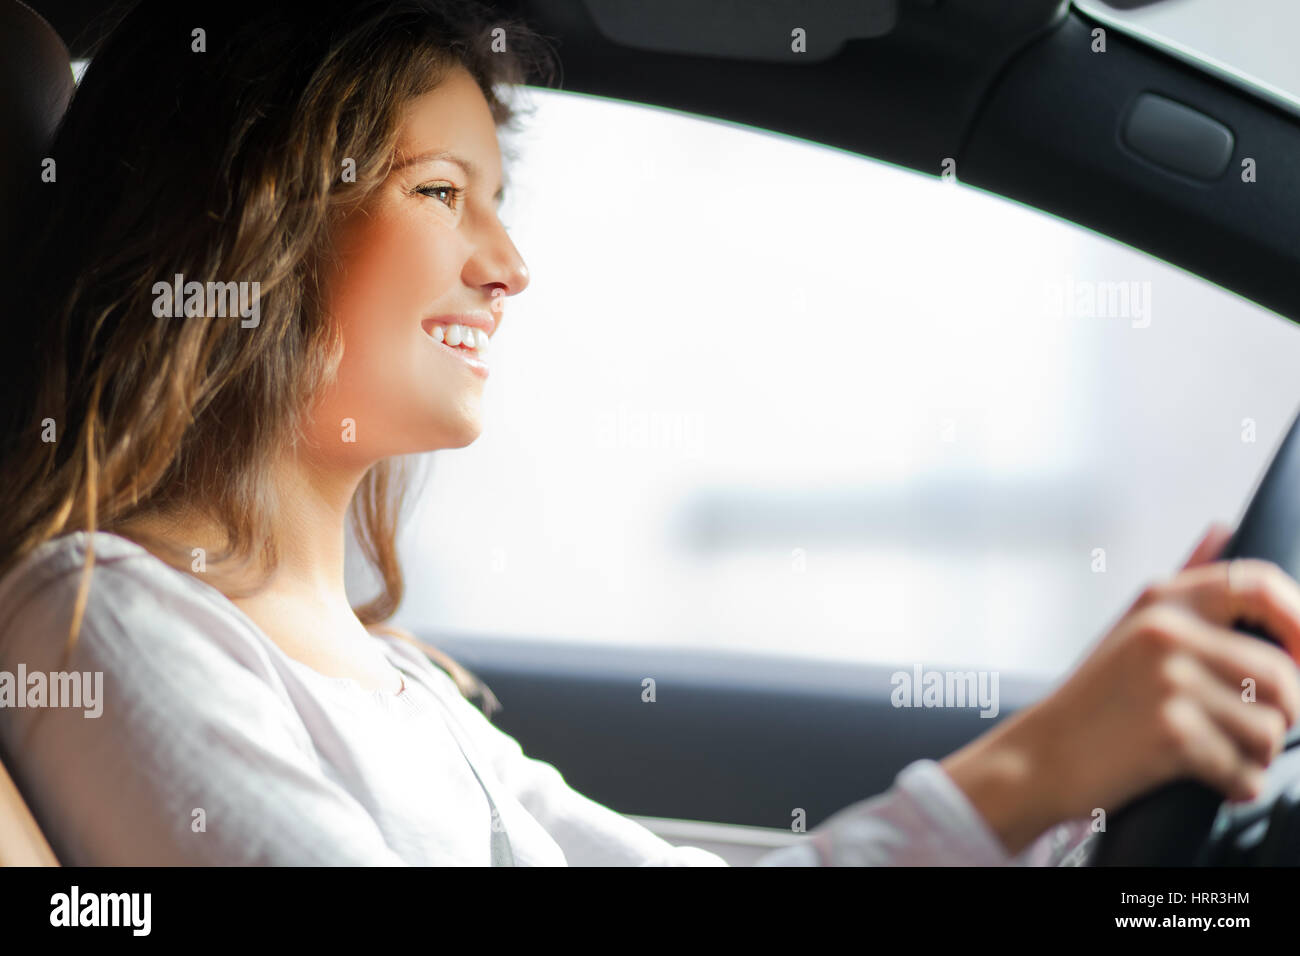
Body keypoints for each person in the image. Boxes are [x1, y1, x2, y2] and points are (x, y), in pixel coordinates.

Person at [1, 0, 1298, 866]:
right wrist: (1039, 761)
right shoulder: (95, 621)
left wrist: (1082, 783)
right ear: (246, 235)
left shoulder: (398, 687)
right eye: (443, 194)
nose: (507, 265)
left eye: (497, 202)